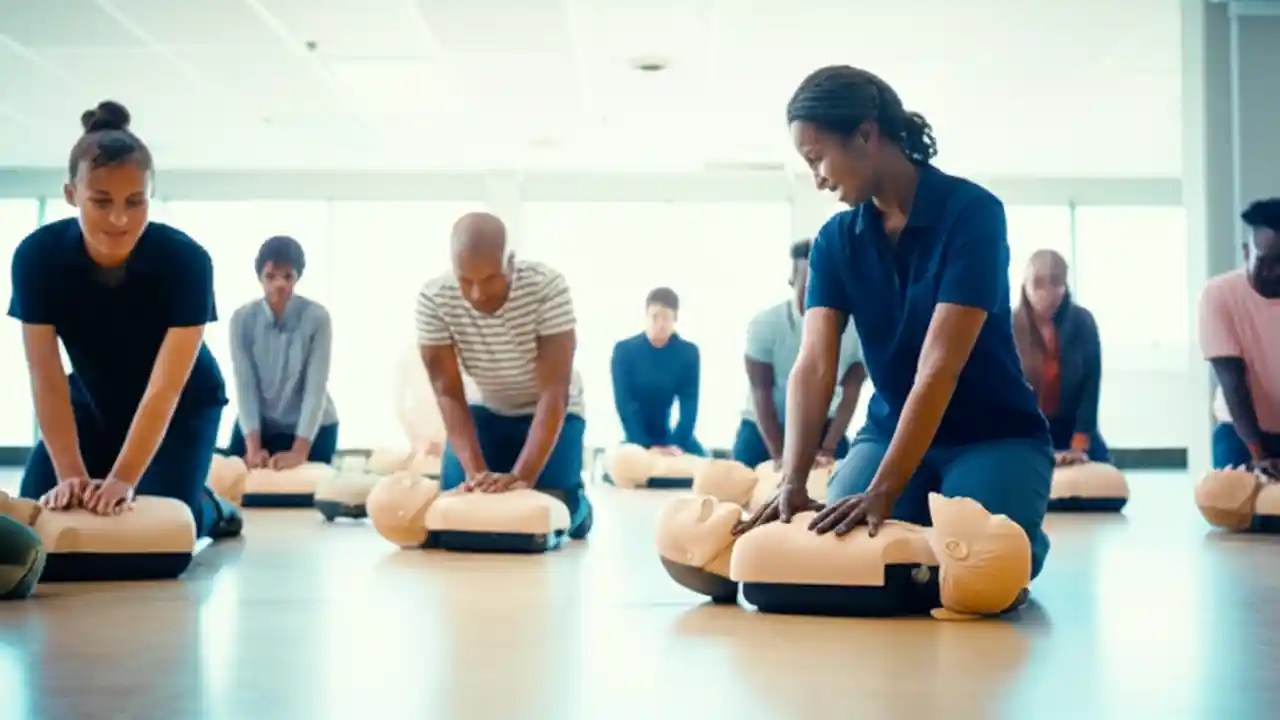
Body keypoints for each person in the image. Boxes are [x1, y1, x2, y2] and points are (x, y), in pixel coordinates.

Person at [735, 66, 1054, 583]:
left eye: (817, 159)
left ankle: (1022, 526)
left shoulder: (972, 213)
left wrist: (884, 490)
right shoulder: (835, 241)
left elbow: (939, 365)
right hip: (887, 431)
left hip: (991, 434)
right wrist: (791, 477)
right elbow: (815, 365)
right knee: (842, 553)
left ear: (865, 133)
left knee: (978, 563)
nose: (816, 177)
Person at [6, 100, 241, 539]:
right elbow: (46, 375)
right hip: (91, 400)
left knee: (166, 522)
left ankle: (213, 504)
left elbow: (165, 389)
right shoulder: (36, 258)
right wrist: (70, 474)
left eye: (135, 202)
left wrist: (124, 477)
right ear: (71, 194)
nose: (120, 219)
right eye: (101, 201)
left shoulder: (186, 262)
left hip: (183, 404)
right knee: (40, 515)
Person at [415, 212, 593, 538]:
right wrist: (475, 474)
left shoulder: (547, 287)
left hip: (554, 412)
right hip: (490, 411)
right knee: (459, 502)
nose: (477, 294)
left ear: (511, 263)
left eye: (490, 278)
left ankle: (577, 499)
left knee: (553, 509)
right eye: (465, 280)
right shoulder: (434, 298)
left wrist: (523, 476)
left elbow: (554, 391)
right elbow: (448, 392)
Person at [734, 239, 866, 469]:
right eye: (808, 288)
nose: (817, 296)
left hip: (823, 427)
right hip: (765, 427)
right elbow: (760, 390)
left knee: (841, 482)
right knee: (748, 480)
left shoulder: (858, 329)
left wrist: (827, 449)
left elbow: (851, 391)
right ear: (792, 282)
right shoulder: (764, 324)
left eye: (825, 286)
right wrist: (778, 456)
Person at [226, 236, 339, 469]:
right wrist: (253, 449)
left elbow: (314, 389)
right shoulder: (242, 319)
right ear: (260, 278)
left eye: (288, 276)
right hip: (262, 424)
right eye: (270, 276)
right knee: (233, 481)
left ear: (298, 277)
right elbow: (245, 386)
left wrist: (299, 452)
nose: (279, 284)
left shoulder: (317, 317)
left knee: (303, 491)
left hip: (312, 428)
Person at [1199, 198, 1280, 474]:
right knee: (1239, 503)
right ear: (1247, 253)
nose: (1276, 273)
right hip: (1241, 432)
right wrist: (1258, 455)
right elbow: (1232, 382)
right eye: (1267, 262)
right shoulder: (1219, 294)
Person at [1012, 249, 1109, 466]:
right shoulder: (1010, 328)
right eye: (1038, 284)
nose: (1047, 293)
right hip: (1027, 431)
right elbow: (1008, 398)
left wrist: (1079, 446)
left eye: (1056, 283)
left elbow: (1090, 390)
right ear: (1024, 286)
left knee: (1108, 488)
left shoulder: (1083, 323)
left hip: (1073, 429)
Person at [610, 287, 705, 456]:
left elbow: (689, 405)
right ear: (646, 315)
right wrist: (646, 446)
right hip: (635, 436)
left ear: (675, 318)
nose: (660, 324)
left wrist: (676, 445)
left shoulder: (688, 353)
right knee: (629, 463)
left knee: (707, 469)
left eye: (666, 318)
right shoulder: (625, 351)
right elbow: (624, 403)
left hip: (673, 438)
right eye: (654, 317)